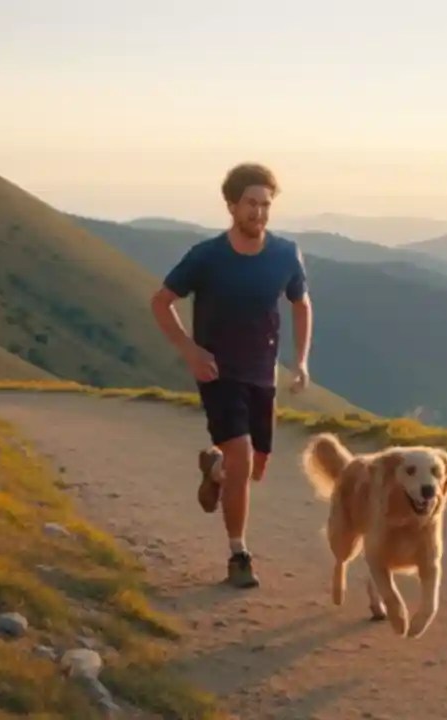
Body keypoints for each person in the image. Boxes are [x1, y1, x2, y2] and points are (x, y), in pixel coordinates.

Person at [149, 162, 312, 589]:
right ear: (232, 206)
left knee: (254, 469)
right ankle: (239, 554)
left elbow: (301, 304)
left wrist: (301, 361)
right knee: (243, 459)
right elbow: (161, 302)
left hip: (263, 374)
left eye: (266, 204)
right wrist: (190, 350)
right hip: (218, 373)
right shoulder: (206, 257)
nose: (259, 212)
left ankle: (216, 468)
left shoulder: (285, 253)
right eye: (251, 204)